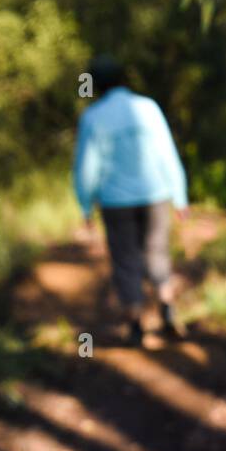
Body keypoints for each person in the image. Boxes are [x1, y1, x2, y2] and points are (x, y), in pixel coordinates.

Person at [73, 55, 188, 346]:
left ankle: (136, 326)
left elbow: (87, 167)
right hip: (156, 195)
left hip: (115, 201)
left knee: (125, 261)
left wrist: (85, 204)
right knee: (157, 253)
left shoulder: (93, 117)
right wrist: (180, 196)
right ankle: (167, 310)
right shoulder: (147, 108)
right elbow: (167, 153)